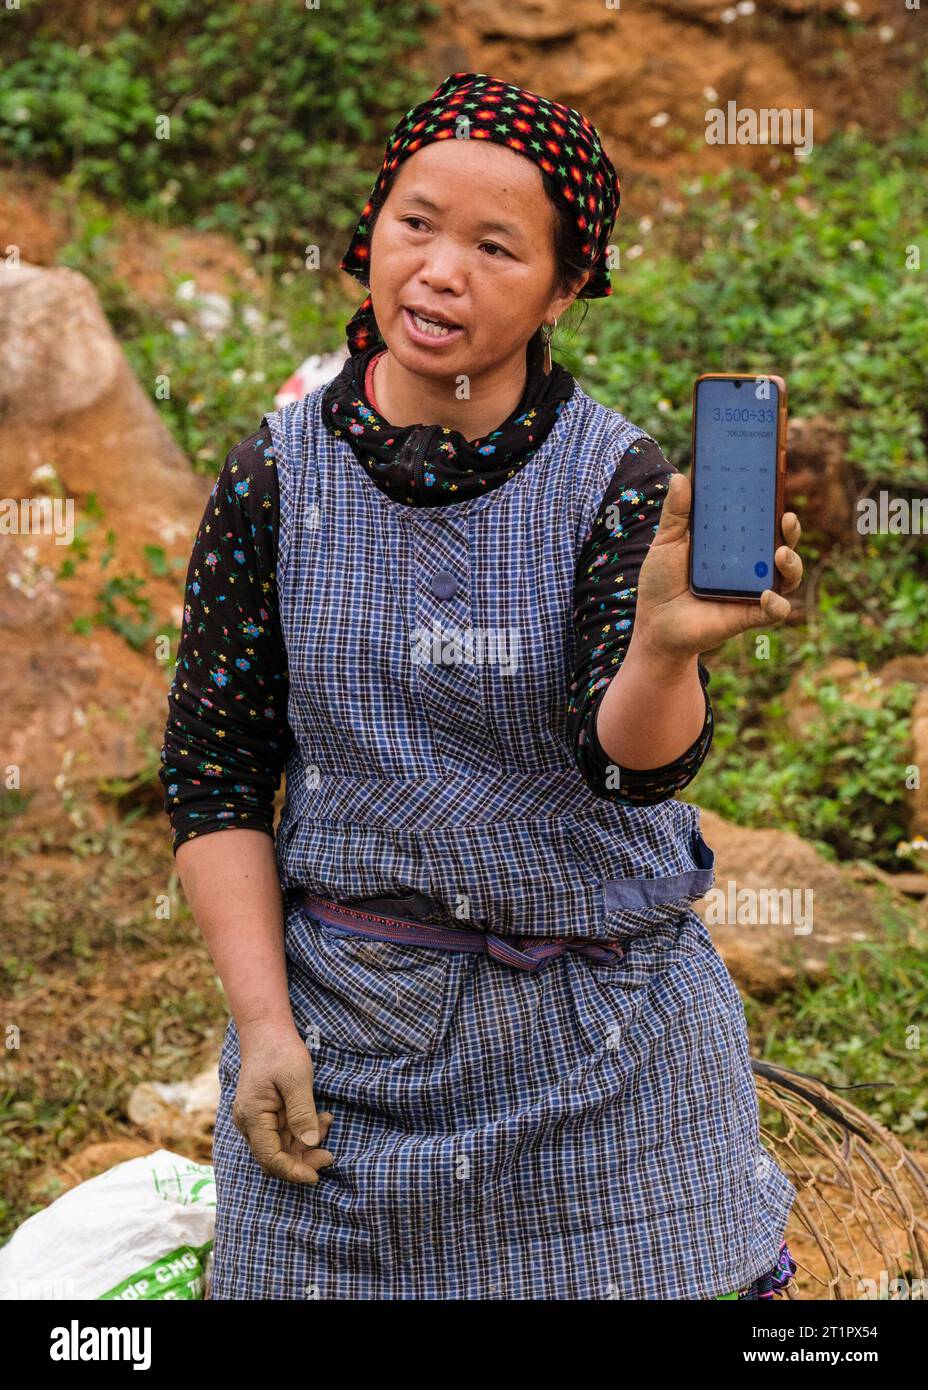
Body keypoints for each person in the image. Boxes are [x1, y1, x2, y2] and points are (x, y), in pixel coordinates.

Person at [159, 72, 803, 1300]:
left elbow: (626, 765)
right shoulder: (274, 475)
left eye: (493, 246)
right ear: (369, 237)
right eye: (415, 224)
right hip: (352, 1045)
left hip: (606, 1049)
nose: (438, 271)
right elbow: (216, 773)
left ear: (566, 286)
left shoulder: (614, 476)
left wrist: (663, 648)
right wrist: (262, 1028)